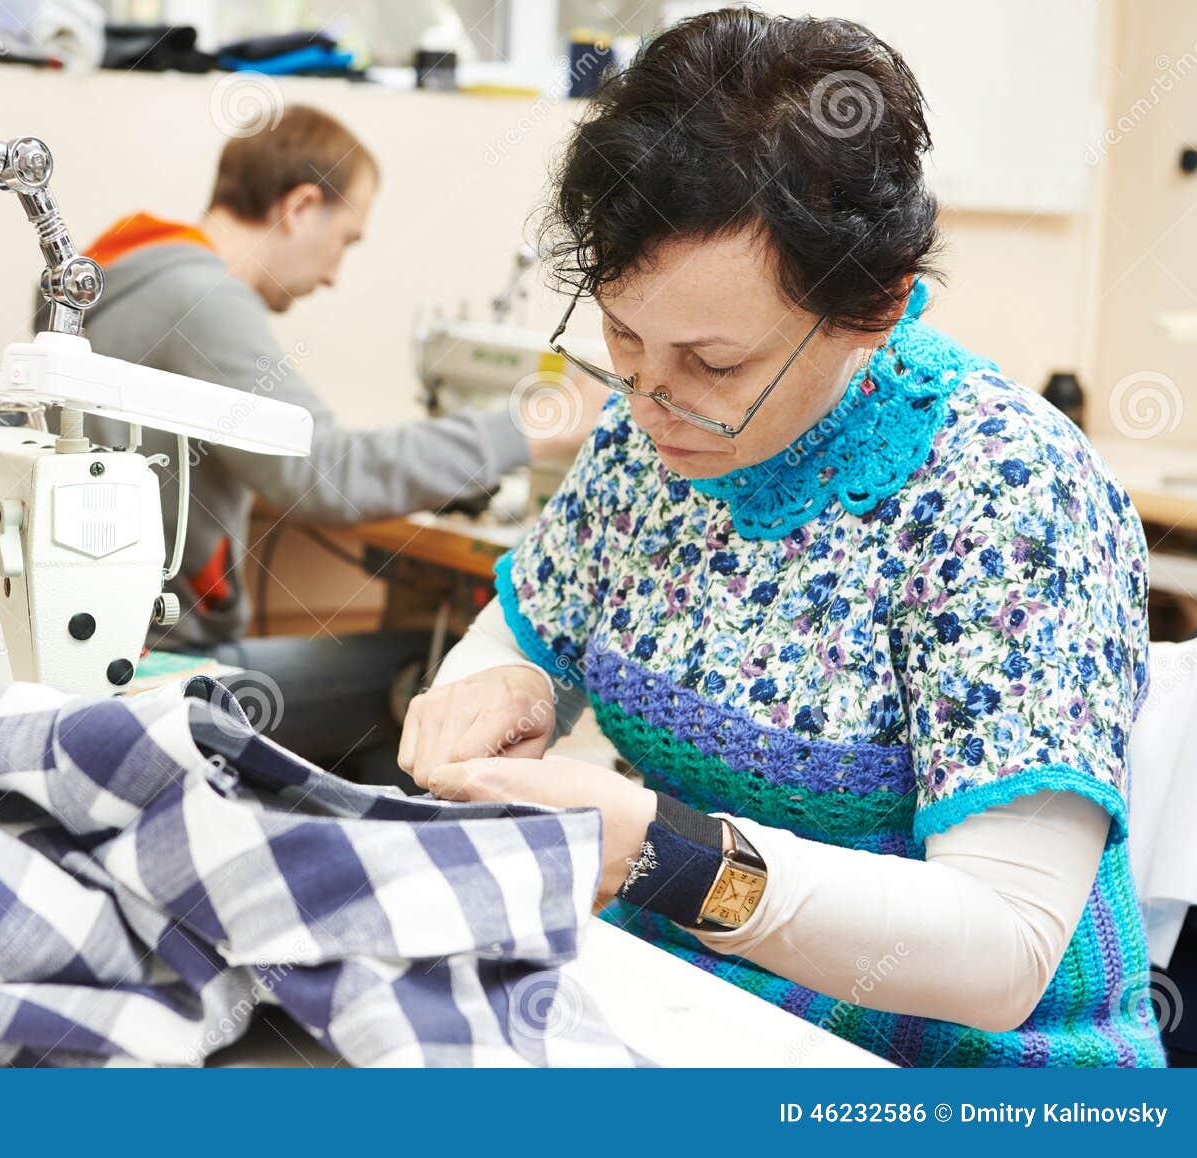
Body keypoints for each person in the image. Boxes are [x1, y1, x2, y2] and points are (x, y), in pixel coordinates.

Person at [398, 8, 1165, 1067]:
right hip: (683, 1005)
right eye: (621, 336)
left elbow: (1002, 953)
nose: (650, 399)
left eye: (713, 364)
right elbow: (520, 636)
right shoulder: (646, 435)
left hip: (951, 1067)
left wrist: (663, 855)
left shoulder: (1003, 494)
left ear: (875, 305)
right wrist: (504, 687)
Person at [81, 104, 600, 778]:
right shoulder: (202, 299)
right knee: (434, 674)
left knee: (393, 728)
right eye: (346, 240)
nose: (332, 274)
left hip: (102, 650)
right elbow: (325, 474)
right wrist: (533, 426)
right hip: (160, 669)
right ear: (300, 207)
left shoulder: (114, 274)